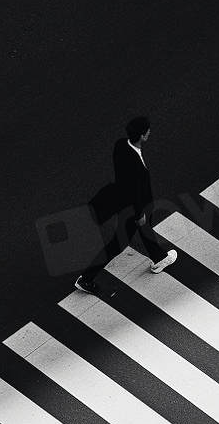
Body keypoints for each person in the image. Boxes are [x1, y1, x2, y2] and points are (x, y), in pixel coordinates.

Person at [75, 117, 177, 294]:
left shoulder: (121, 144)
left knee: (143, 232)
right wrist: (139, 214)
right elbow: (134, 191)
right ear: (142, 136)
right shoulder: (135, 166)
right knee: (119, 243)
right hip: (133, 207)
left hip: (124, 201)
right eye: (147, 131)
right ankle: (87, 278)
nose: (149, 132)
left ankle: (159, 257)